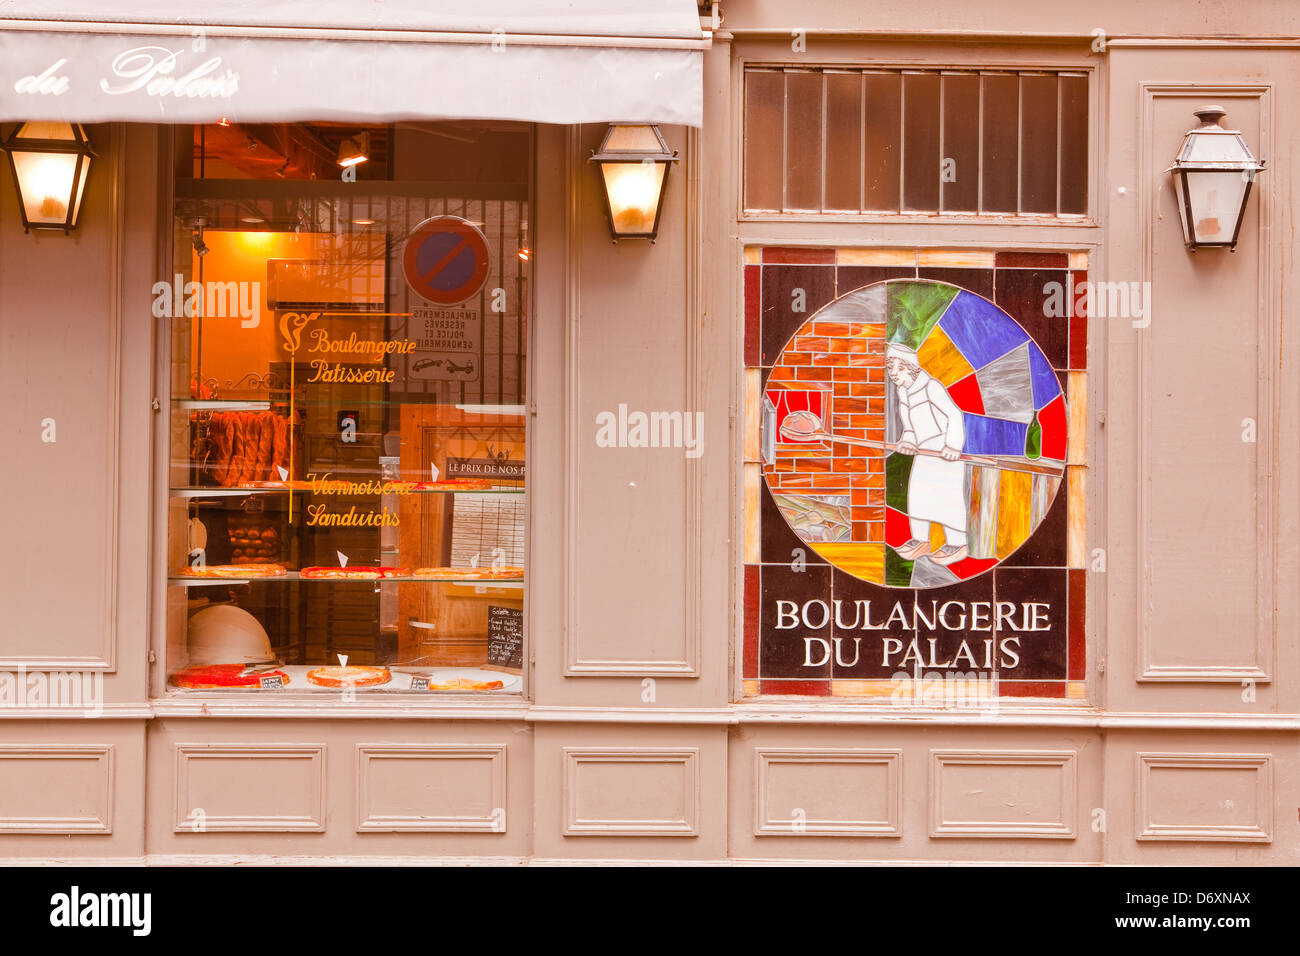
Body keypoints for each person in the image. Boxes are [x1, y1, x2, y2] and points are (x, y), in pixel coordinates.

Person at [886, 343, 969, 566]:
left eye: (899, 369)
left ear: (910, 368)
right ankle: (920, 541)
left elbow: (954, 415)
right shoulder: (902, 390)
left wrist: (953, 445)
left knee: (947, 499)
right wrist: (908, 440)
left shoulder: (932, 386)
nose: (894, 374)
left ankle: (957, 544)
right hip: (924, 451)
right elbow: (909, 423)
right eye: (890, 369)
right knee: (918, 495)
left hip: (944, 453)